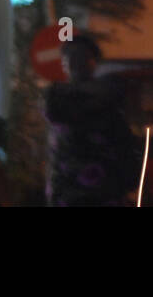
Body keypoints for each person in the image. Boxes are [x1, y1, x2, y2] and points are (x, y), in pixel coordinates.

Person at [44, 35, 137, 206]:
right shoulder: (56, 97)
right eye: (70, 57)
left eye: (81, 57)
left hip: (104, 190)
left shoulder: (110, 94)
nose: (75, 63)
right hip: (68, 190)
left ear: (94, 61)